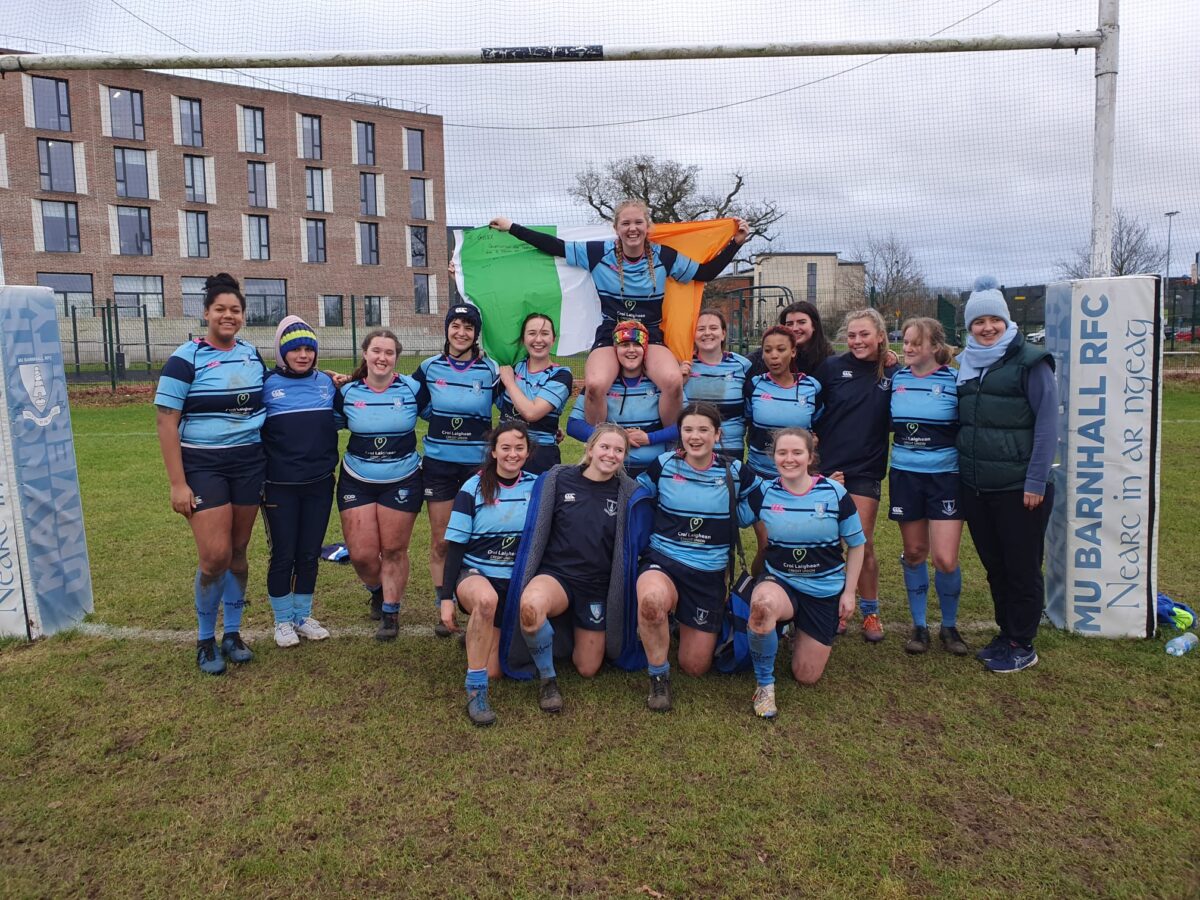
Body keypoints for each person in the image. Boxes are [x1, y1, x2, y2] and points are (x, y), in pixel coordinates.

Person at [489, 202, 750, 428]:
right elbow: (555, 246)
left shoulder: (664, 257)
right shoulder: (597, 253)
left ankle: (672, 444)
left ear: (648, 227)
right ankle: (599, 446)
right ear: (616, 228)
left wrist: (735, 243)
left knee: (672, 381)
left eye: (638, 222)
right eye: (626, 223)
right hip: (611, 333)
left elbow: (704, 273)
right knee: (594, 385)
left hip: (651, 333)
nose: (632, 228)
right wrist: (512, 227)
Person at [154, 273, 266, 675]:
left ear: (243, 316)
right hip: (203, 465)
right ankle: (205, 640)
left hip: (250, 464)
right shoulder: (186, 358)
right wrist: (177, 483)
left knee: (238, 552)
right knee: (214, 556)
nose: (228, 315)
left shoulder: (252, 355)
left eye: (235, 310)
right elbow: (167, 422)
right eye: (220, 309)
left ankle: (232, 634)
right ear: (206, 313)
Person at [956, 276, 1057, 674]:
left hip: (1020, 488)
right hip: (977, 486)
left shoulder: (1032, 361)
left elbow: (1048, 425)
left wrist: (1035, 481)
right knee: (996, 566)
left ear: (1006, 321)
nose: (986, 328)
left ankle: (1023, 642)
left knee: (1022, 566)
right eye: (978, 322)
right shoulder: (966, 363)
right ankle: (1006, 632)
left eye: (993, 320)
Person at [635, 403, 759, 712]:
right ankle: (659, 678)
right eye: (688, 429)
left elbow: (761, 496)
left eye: (703, 429)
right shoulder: (663, 464)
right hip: (663, 561)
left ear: (717, 434)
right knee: (651, 601)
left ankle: (676, 621)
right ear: (680, 433)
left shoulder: (735, 471)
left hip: (709, 573)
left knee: (694, 666)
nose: (695, 436)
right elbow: (637, 498)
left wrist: (736, 517)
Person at [742, 428, 866, 719]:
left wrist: (849, 592)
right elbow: (733, 515)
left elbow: (857, 545)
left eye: (797, 452)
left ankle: (795, 628)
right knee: (761, 607)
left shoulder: (835, 493)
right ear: (773, 457)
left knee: (806, 676)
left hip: (823, 591)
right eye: (782, 452)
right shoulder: (764, 491)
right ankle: (764, 685)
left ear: (810, 456)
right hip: (780, 582)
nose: (789, 459)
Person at [515, 425, 636, 713]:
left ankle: (563, 633)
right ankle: (548, 679)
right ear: (590, 448)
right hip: (556, 576)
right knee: (530, 607)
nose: (610, 454)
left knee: (587, 667)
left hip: (596, 585)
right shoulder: (559, 479)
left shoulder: (628, 492)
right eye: (604, 447)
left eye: (619, 450)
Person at [440, 422, 538, 726]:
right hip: (477, 573)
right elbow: (455, 546)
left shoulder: (537, 486)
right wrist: (446, 598)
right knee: (485, 602)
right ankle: (476, 691)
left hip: (518, 580)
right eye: (505, 448)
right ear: (493, 451)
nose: (512, 454)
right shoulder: (472, 487)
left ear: (528, 452)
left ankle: (478, 636)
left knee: (497, 668)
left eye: (519, 448)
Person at [411, 303, 500, 636]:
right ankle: (442, 605)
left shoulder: (489, 370)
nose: (461, 332)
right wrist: (438, 417)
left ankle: (479, 601)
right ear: (446, 329)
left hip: (478, 467)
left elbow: (509, 406)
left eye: (468, 327)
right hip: (439, 465)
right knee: (443, 540)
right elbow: (414, 402)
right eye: (456, 325)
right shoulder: (428, 367)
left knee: (479, 537)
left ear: (476, 334)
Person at [813, 308, 898, 643]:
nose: (858, 341)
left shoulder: (893, 373)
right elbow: (808, 403)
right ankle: (835, 607)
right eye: (852, 335)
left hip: (865, 470)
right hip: (829, 468)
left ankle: (870, 610)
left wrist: (892, 359)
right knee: (827, 541)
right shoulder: (832, 367)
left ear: (880, 336)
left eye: (865, 334)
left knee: (861, 541)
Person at [334, 329, 425, 642]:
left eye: (389, 353)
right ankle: (377, 589)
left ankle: (390, 610)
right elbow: (326, 421)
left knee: (394, 549)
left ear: (396, 358)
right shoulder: (346, 392)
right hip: (357, 479)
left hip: (402, 480)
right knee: (361, 554)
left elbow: (440, 414)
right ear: (365, 354)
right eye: (376, 351)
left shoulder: (413, 388)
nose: (382, 357)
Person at [889, 317, 967, 656]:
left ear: (935, 347)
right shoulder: (895, 378)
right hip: (905, 475)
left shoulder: (956, 380)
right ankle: (919, 627)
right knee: (916, 552)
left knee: (946, 559)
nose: (906, 348)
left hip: (946, 477)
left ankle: (949, 626)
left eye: (915, 343)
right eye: (904, 342)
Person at [261, 317, 338, 648]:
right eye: (296, 350)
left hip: (319, 483)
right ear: (282, 353)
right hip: (279, 485)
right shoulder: (264, 385)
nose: (303, 355)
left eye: (309, 349)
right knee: (283, 554)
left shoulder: (327, 384)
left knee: (308, 554)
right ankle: (282, 621)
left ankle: (302, 616)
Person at [566, 321, 679, 480]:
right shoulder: (604, 383)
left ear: (645, 349)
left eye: (637, 345)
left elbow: (687, 426)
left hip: (656, 470)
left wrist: (650, 438)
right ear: (615, 349)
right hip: (610, 470)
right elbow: (573, 425)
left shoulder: (661, 382)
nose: (631, 350)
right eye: (624, 345)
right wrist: (616, 437)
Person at [496, 313, 574, 475]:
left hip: (541, 456)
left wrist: (510, 382)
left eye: (545, 333)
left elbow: (532, 413)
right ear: (523, 339)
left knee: (540, 500)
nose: (538, 340)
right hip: (507, 453)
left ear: (553, 339)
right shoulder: (513, 366)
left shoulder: (561, 375)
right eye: (532, 333)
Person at [743, 327, 822, 480]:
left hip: (798, 476)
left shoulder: (812, 387)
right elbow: (746, 420)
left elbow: (820, 425)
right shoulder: (754, 385)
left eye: (781, 349)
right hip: (758, 474)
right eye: (768, 350)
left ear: (793, 352)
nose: (774, 356)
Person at [680, 308, 752, 459]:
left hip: (730, 447)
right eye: (700, 329)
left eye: (713, 328)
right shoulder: (684, 365)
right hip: (692, 446)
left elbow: (750, 408)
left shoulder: (742, 365)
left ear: (723, 333)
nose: (707, 333)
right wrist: (678, 382)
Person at [746, 301, 835, 379]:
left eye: (802, 322)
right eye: (789, 324)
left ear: (814, 325)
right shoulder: (763, 356)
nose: (795, 328)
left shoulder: (828, 359)